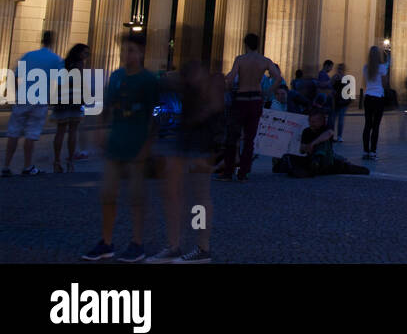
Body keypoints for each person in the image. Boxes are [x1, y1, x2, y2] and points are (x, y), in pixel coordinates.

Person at [82, 32, 159, 261]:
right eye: (124, 50)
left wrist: (148, 145)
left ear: (141, 53)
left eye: (131, 51)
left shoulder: (148, 80)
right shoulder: (116, 76)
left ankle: (137, 242)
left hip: (137, 144)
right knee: (107, 193)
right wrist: (99, 128)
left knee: (136, 196)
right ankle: (106, 241)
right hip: (116, 142)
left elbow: (153, 116)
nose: (127, 55)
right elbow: (107, 106)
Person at [148, 60, 223, 263]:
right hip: (187, 144)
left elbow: (213, 113)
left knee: (199, 199)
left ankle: (201, 247)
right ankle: (177, 245)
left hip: (200, 146)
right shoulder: (190, 89)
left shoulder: (210, 91)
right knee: (177, 196)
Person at [220, 32, 283, 181]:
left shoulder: (240, 59)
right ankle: (244, 172)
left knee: (233, 137)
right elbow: (278, 78)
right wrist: (268, 92)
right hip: (256, 98)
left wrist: (227, 86)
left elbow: (230, 78)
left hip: (241, 98)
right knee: (249, 139)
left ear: (245, 44)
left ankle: (228, 172)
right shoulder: (265, 61)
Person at [3, 30, 65, 176]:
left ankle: (6, 166)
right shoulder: (56, 59)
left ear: (42, 40)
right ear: (52, 41)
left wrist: (18, 93)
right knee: (31, 134)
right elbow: (61, 82)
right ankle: (27, 166)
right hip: (40, 100)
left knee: (14, 132)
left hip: (23, 98)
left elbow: (16, 75)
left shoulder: (29, 55)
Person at [52, 42, 90, 173]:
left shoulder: (63, 63)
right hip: (75, 99)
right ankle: (70, 162)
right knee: (73, 131)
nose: (87, 56)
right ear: (79, 53)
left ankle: (57, 161)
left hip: (61, 98)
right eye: (85, 53)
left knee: (60, 131)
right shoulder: (79, 65)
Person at [361, 45, 390, 161]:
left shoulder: (365, 67)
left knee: (367, 125)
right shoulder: (382, 67)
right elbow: (384, 84)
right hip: (378, 98)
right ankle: (373, 151)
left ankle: (365, 151)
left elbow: (364, 84)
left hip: (368, 97)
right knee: (376, 126)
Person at [331, 63, 350, 142]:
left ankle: (339, 136)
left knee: (340, 119)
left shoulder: (346, 78)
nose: (340, 70)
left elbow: (348, 89)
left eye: (341, 69)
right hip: (336, 100)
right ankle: (331, 135)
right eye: (339, 69)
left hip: (343, 101)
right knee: (333, 119)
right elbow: (330, 86)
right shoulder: (334, 77)